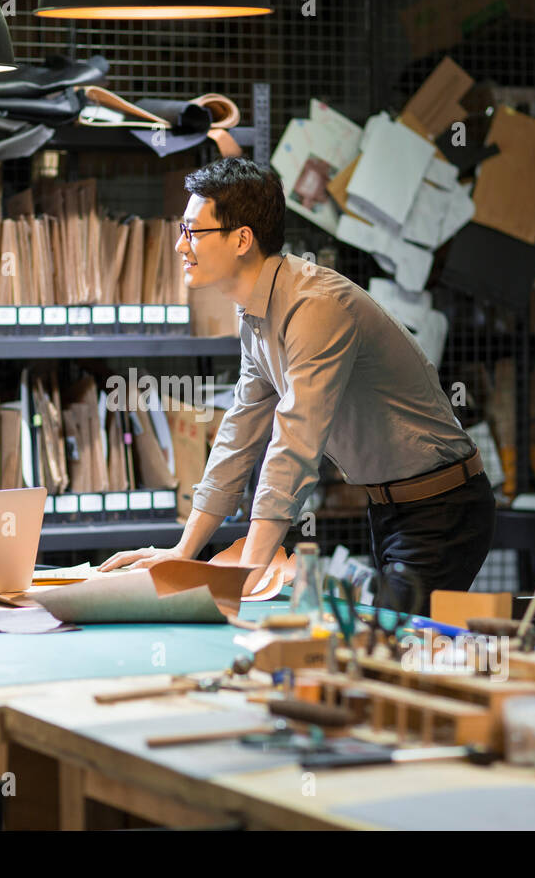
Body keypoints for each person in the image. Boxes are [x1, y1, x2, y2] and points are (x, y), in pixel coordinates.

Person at [101, 158, 495, 610]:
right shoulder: (255, 312)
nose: (179, 246)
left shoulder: (316, 308)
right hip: (388, 507)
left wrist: (249, 571)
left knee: (392, 656)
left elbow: (295, 443)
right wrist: (181, 553)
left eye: (193, 231)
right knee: (384, 650)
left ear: (242, 239)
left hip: (442, 507)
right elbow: (241, 432)